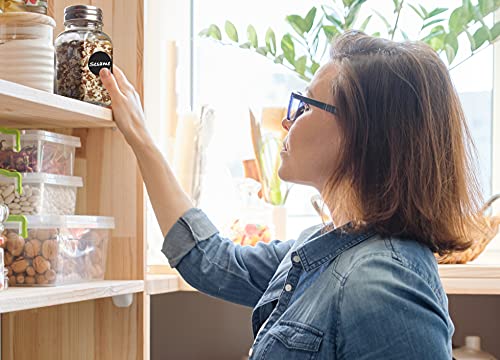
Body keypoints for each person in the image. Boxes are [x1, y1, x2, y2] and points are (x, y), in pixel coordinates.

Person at [100, 30, 483, 359]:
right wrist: (142, 139)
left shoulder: (382, 283)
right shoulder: (322, 250)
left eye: (305, 105)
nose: (287, 120)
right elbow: (210, 260)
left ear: (360, 133)